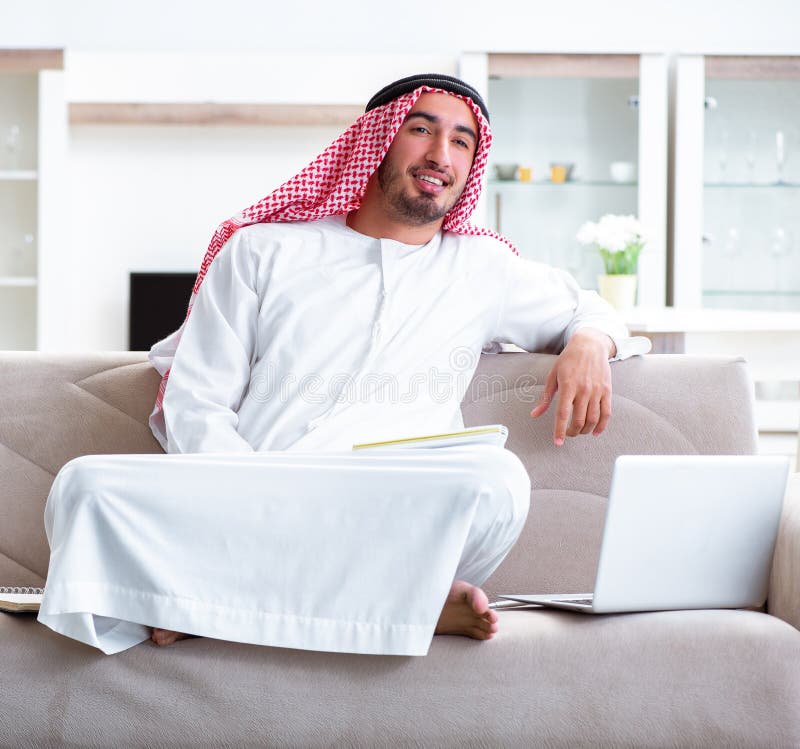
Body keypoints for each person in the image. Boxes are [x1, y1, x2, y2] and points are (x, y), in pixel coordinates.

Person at [37, 74, 648, 656]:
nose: (442, 153)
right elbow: (196, 402)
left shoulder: (483, 268)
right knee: (85, 486)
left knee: (497, 481)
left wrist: (591, 341)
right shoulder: (264, 249)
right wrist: (248, 494)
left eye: (462, 140)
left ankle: (218, 603)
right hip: (253, 492)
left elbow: (590, 309)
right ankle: (401, 602)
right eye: (421, 129)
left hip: (385, 500)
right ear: (376, 141)